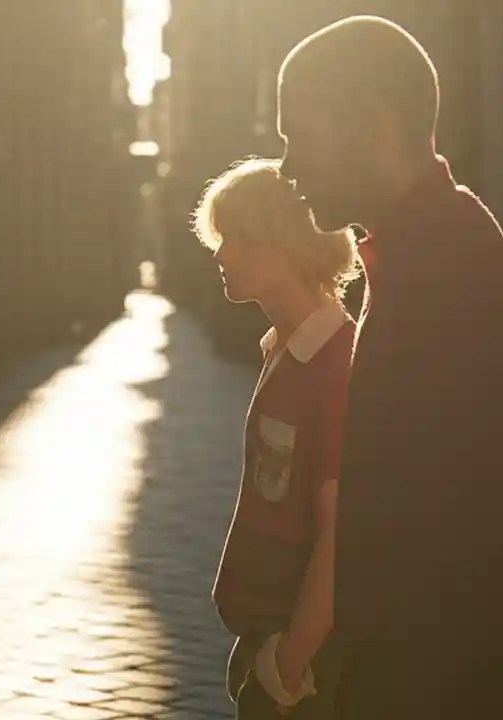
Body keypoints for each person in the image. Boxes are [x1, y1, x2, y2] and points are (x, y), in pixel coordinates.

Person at [276, 16, 503, 718]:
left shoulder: (449, 267)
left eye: (298, 137)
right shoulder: (413, 252)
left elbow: (452, 544)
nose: (286, 167)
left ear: (374, 124)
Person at [193, 157, 360, 717]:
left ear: (289, 243)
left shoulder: (337, 365)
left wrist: (287, 667)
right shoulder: (282, 349)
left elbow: (340, 535)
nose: (222, 254)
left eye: (240, 238)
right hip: (266, 643)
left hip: (302, 668)